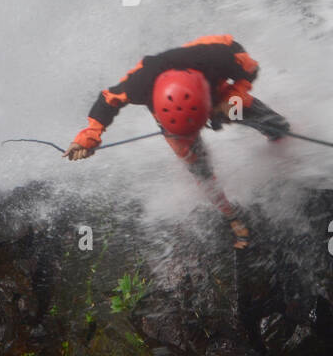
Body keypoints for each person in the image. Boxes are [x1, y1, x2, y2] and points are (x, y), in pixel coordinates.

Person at [64, 34, 290, 249]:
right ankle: (232, 216)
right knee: (199, 169)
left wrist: (234, 98)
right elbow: (107, 100)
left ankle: (282, 146)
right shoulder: (138, 83)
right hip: (174, 125)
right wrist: (87, 139)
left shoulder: (216, 55)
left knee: (276, 125)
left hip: (221, 95)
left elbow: (250, 68)